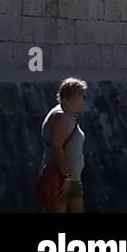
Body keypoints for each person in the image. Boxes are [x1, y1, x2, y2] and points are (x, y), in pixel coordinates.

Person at [40, 78, 88, 213]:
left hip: (72, 178)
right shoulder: (60, 117)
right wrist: (66, 178)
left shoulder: (66, 115)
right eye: (81, 96)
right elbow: (57, 147)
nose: (83, 100)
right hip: (62, 178)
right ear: (70, 96)